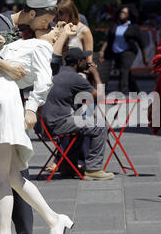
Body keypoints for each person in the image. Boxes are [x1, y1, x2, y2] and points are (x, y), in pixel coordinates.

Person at [0, 21, 77, 234]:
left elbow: (45, 79)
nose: (46, 28)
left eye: (51, 29)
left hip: (4, 102)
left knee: (1, 176)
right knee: (12, 177)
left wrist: (31, 108)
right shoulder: (27, 44)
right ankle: (53, 219)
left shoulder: (41, 47)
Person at [40, 48, 114, 181]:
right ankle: (94, 169)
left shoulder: (58, 72)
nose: (88, 63)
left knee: (84, 120)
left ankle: (68, 165)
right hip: (57, 124)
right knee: (100, 125)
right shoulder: (75, 78)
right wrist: (95, 73)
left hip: (44, 125)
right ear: (79, 62)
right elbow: (100, 96)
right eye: (85, 61)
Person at [98, 4, 148, 94]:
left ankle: (122, 92)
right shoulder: (114, 25)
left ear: (129, 15)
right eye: (121, 12)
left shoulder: (133, 27)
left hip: (128, 51)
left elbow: (141, 43)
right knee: (127, 72)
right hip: (115, 51)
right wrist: (102, 51)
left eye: (124, 13)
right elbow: (108, 40)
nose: (122, 14)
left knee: (124, 70)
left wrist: (145, 58)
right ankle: (135, 91)